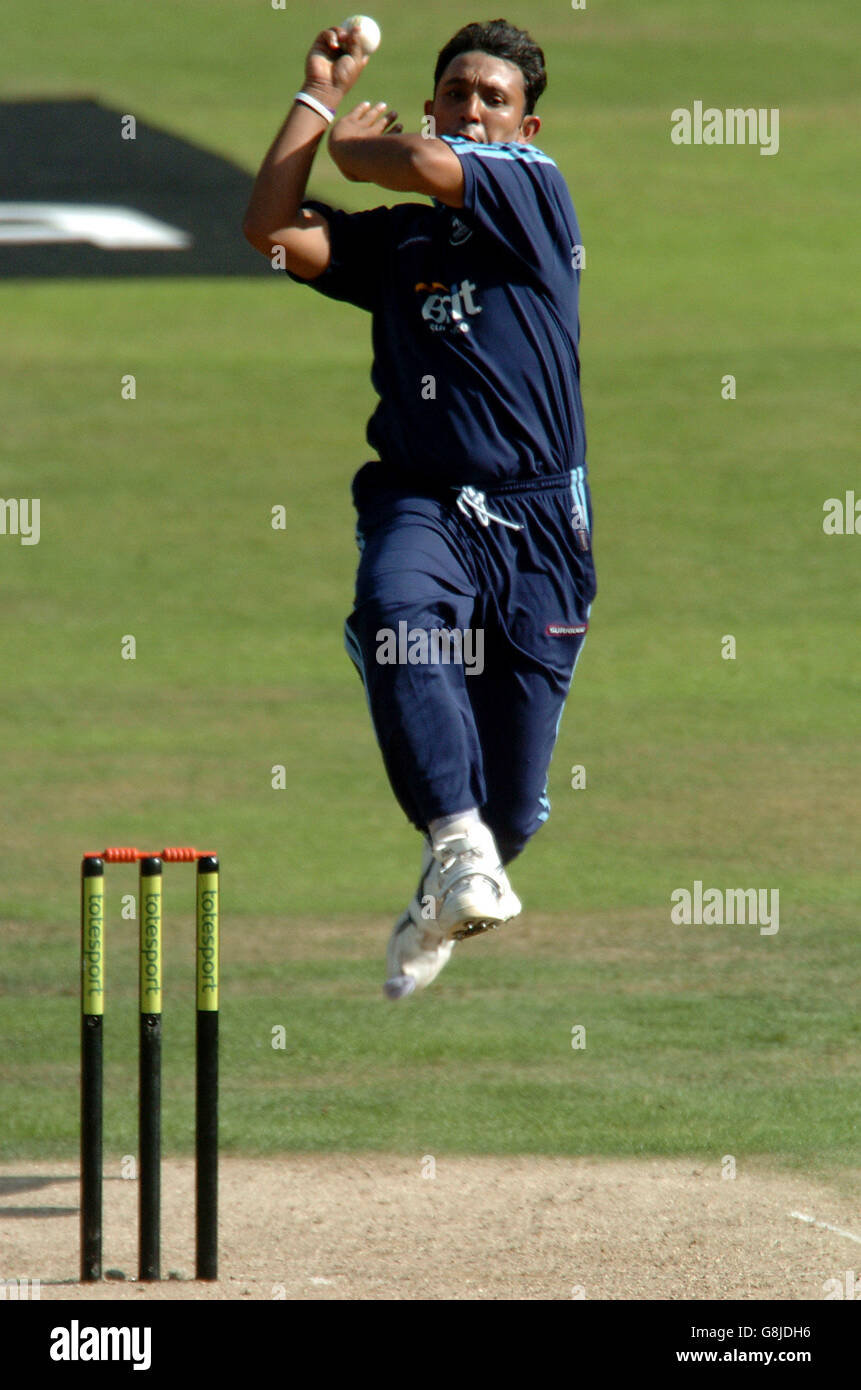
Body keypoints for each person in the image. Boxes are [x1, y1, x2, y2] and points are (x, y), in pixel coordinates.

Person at [244, 17, 596, 1000]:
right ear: (435, 99)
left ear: (527, 128)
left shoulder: (535, 190)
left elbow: (412, 164)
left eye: (495, 99)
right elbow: (271, 234)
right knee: (402, 622)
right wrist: (317, 101)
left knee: (512, 810)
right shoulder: (402, 238)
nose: (474, 110)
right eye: (457, 95)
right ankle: (450, 845)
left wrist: (357, 147)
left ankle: (446, 883)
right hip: (423, 500)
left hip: (539, 529)